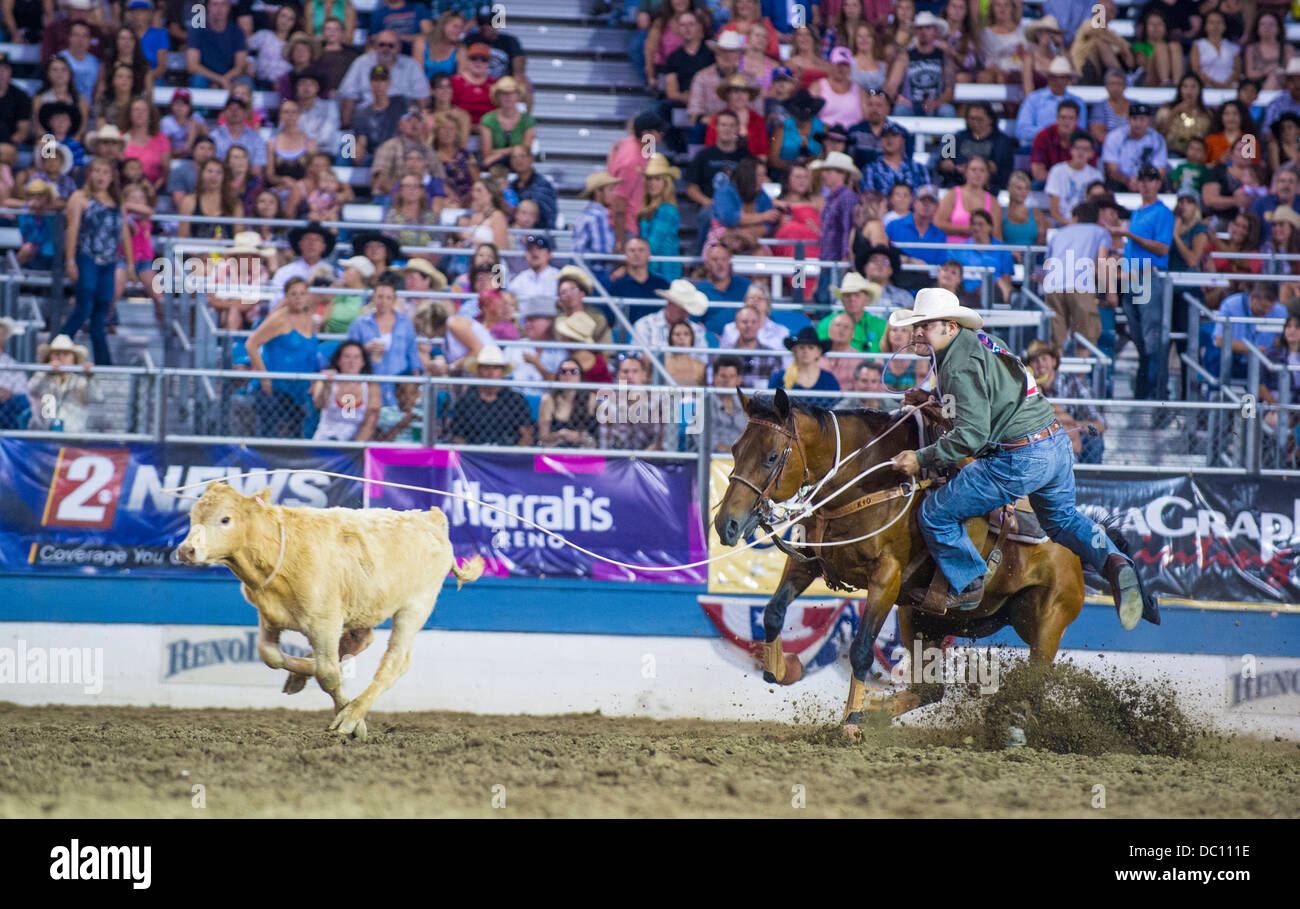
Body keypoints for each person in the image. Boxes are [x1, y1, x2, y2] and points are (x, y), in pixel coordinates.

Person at [887, 287, 1141, 623]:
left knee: (935, 511)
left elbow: (972, 437)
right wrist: (935, 398)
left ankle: (969, 581)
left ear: (949, 327)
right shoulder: (983, 341)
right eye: (916, 325)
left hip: (1019, 457)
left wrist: (920, 458)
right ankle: (1114, 561)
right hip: (1056, 444)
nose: (917, 332)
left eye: (927, 325)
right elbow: (991, 396)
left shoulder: (956, 367)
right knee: (1061, 519)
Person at [59, 158, 129, 367]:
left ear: (111, 176)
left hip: (109, 262)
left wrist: (131, 264)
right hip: (87, 257)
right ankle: (59, 347)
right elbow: (72, 229)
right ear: (90, 174)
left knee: (102, 313)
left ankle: (104, 364)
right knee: (84, 306)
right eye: (96, 171)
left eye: (105, 172)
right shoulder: (80, 198)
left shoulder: (118, 201)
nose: (100, 176)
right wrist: (70, 260)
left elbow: (123, 231)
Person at [1116, 165, 1175, 400]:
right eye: (1142, 179)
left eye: (1151, 179)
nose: (1146, 184)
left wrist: (1131, 235)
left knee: (1152, 339)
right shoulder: (1137, 212)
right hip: (1132, 278)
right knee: (1140, 339)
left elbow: (1162, 248)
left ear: (1158, 184)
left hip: (1149, 276)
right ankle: (1144, 391)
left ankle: (1156, 393)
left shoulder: (1163, 213)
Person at [244, 276, 319, 438]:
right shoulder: (279, 318)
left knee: (297, 435)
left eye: (302, 293)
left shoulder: (310, 320)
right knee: (269, 433)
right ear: (286, 297)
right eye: (293, 294)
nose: (298, 298)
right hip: (275, 387)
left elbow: (310, 354)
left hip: (299, 389)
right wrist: (264, 377)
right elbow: (251, 344)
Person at [1041, 199, 1112, 349]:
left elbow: (1047, 265)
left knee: (1056, 341)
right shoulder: (1100, 232)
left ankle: (1056, 372)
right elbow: (1102, 262)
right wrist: (1110, 293)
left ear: (1075, 217)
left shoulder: (1058, 234)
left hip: (1053, 286)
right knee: (1086, 339)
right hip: (1081, 287)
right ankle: (1080, 373)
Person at [1026, 339, 1106, 464]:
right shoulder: (1026, 387)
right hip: (1040, 440)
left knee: (1094, 438)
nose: (1041, 365)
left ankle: (1092, 478)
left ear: (1053, 361)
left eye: (1044, 359)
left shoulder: (1075, 384)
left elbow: (1100, 423)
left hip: (1072, 437)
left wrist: (1072, 426)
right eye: (1035, 361)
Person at [337, 30, 432, 128]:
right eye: (382, 45)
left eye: (391, 45)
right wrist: (346, 128)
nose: (386, 49)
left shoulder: (411, 66)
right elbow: (347, 96)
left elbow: (422, 100)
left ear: (399, 47)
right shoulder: (361, 63)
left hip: (400, 121)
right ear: (375, 46)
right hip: (367, 119)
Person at [450, 345, 534, 445]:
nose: (491, 372)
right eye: (486, 367)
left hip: (508, 456)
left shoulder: (516, 400)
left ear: (502, 373)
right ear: (479, 372)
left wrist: (514, 457)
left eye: (495, 368)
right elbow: (457, 437)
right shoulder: (465, 401)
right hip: (473, 456)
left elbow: (527, 435)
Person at [1210, 283, 1288, 381]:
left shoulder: (1280, 311)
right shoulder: (1231, 304)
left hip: (1264, 362)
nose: (1266, 311)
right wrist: (1254, 350)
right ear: (1252, 298)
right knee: (1218, 358)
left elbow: (1283, 340)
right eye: (1263, 307)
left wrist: (1274, 347)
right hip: (1232, 358)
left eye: (1270, 307)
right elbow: (1220, 340)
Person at [27, 334, 103, 432]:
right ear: (50, 357)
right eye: (56, 354)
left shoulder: (81, 381)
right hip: (45, 435)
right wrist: (47, 373)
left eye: (65, 354)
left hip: (73, 437)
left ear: (73, 359)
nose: (60, 358)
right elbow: (31, 390)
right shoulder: (42, 376)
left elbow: (97, 397)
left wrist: (90, 377)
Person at [311, 340, 382, 441]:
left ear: (363, 362)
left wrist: (355, 448)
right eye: (347, 356)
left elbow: (371, 419)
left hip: (356, 443)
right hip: (325, 440)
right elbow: (319, 405)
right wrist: (327, 383)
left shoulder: (371, 386)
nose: (351, 361)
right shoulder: (325, 380)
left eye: (356, 357)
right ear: (338, 361)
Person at [940, 101, 1016, 192]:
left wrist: (970, 168)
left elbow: (998, 168)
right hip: (958, 185)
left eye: (979, 119)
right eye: (972, 119)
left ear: (990, 119)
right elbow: (942, 163)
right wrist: (949, 165)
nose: (975, 122)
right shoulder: (955, 138)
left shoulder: (1002, 141)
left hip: (989, 188)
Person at [1014, 56, 1089, 146]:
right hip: (1037, 147)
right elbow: (1021, 130)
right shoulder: (1033, 99)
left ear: (1068, 79)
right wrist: (1050, 133)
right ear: (1049, 78)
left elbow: (1080, 131)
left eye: (1062, 77)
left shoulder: (1078, 102)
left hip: (1067, 150)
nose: (1058, 81)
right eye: (1054, 77)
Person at [1100, 102, 1168, 193]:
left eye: (1142, 119)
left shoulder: (1157, 139)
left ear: (1149, 120)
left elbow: (1160, 171)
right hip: (1121, 182)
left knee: (1164, 184)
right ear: (1128, 119)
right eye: (1134, 119)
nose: (1138, 123)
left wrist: (1143, 183)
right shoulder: (1114, 137)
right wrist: (1127, 181)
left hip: (1148, 183)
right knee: (1109, 184)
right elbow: (1111, 170)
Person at [769, 325, 841, 408]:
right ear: (794, 351)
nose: (806, 351)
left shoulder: (828, 379)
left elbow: (837, 407)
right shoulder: (780, 378)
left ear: (819, 352)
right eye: (801, 347)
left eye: (811, 348)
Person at [635, 278, 708, 358]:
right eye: (683, 310)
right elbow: (637, 360)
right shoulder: (645, 326)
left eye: (688, 310)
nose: (687, 314)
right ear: (670, 304)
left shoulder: (697, 331)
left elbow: (703, 363)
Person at [186, 0, 249, 90]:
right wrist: (219, 80)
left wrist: (224, 79)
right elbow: (192, 66)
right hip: (206, 77)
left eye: (223, 4)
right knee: (198, 80)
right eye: (215, 4)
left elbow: (239, 67)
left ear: (229, 7)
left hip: (230, 77)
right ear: (208, 7)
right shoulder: (197, 30)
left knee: (246, 82)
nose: (220, 9)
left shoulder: (237, 31)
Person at [935, 156, 1001, 241]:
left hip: (982, 252)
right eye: (973, 169)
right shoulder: (952, 195)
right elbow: (938, 223)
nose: (978, 173)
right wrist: (967, 229)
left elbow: (996, 234)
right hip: (953, 251)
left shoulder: (993, 202)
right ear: (966, 172)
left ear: (987, 175)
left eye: (982, 170)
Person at [811, 151, 860, 265]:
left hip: (836, 261)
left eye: (828, 171)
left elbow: (848, 229)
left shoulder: (847, 197)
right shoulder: (833, 198)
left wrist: (845, 258)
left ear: (842, 174)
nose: (824, 174)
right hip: (828, 259)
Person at [1045, 132, 1104, 227]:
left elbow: (1098, 208)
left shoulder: (1096, 175)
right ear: (1071, 150)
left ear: (1092, 153)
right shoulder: (1057, 171)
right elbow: (1054, 210)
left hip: (1088, 225)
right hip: (1062, 224)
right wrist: (1068, 223)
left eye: (1085, 149)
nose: (1080, 152)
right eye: (1077, 148)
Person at [538, 358, 600, 447]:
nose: (568, 375)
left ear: (580, 376)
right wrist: (561, 434)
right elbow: (543, 437)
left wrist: (578, 436)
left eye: (573, 372)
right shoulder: (548, 399)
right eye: (563, 371)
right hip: (556, 449)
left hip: (582, 449)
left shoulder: (591, 399)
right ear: (558, 376)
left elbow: (595, 435)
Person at [817, 271, 886, 351]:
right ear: (842, 300)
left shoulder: (880, 326)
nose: (852, 299)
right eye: (848, 295)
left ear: (866, 300)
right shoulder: (826, 324)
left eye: (857, 295)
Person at [479, 77, 536, 170]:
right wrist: (514, 151)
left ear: (518, 96)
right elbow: (486, 154)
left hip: (519, 164)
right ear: (497, 96)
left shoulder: (527, 120)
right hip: (494, 166)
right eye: (504, 93)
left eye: (512, 93)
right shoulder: (487, 120)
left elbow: (525, 151)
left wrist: (499, 153)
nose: (508, 96)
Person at [694, 243, 751, 334]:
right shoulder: (699, 291)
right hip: (713, 345)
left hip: (743, 342)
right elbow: (693, 324)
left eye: (724, 259)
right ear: (706, 264)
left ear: (729, 262)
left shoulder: (745, 285)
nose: (720, 264)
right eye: (715, 260)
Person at [860, 121, 928, 193]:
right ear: (881, 140)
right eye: (885, 135)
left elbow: (926, 198)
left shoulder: (919, 168)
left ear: (903, 140)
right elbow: (868, 198)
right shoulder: (870, 169)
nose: (889, 139)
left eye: (894, 135)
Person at [573, 171, 620, 263]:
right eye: (610, 189)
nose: (614, 193)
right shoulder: (598, 216)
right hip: (595, 270)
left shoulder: (587, 213)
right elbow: (603, 252)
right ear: (598, 192)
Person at [708, 356, 748, 449]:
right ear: (714, 378)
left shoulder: (746, 404)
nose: (727, 381)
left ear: (739, 380)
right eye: (723, 376)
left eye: (731, 376)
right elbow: (702, 438)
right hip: (712, 458)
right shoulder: (704, 404)